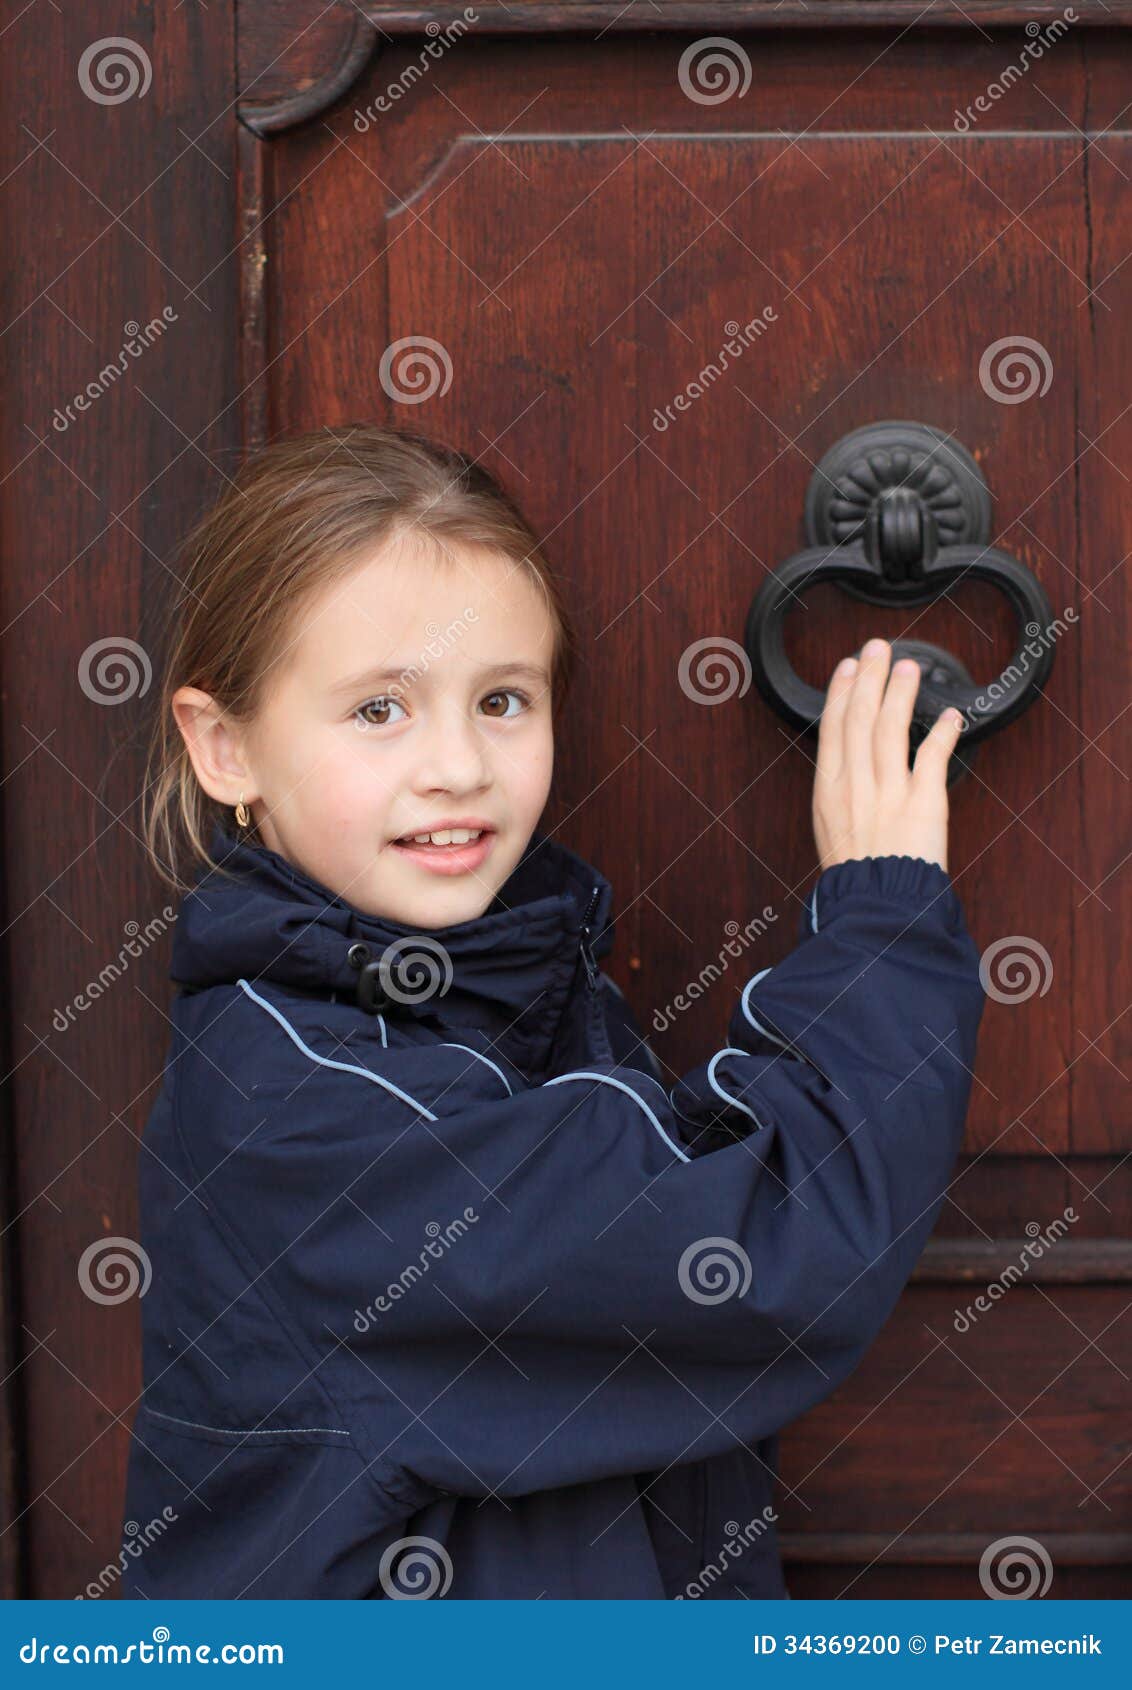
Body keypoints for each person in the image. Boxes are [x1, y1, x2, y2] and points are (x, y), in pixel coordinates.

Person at [118, 424, 984, 1600]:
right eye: (380, 710)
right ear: (226, 747)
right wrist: (880, 922)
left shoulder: (502, 978)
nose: (459, 765)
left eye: (504, 699)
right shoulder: (305, 1115)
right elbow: (763, 1253)